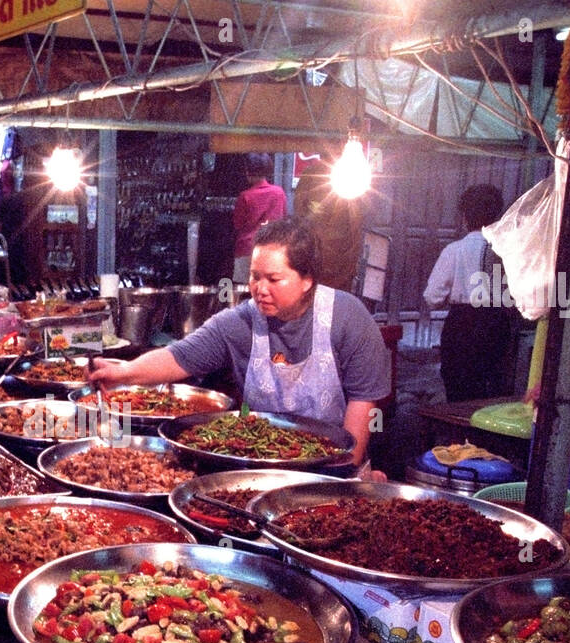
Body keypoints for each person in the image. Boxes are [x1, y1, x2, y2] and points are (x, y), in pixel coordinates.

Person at [90, 217, 390, 470]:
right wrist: (123, 373)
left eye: (274, 279)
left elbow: (362, 407)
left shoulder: (349, 319)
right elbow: (178, 357)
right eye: (255, 277)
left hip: (331, 469)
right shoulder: (242, 322)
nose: (260, 289)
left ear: (307, 279)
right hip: (258, 465)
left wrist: (342, 473)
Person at [424, 183, 518, 402]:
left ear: (465, 217)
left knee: (459, 393)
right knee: (492, 394)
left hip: (462, 326)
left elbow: (432, 298)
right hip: (497, 324)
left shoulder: (454, 251)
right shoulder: (507, 251)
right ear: (497, 216)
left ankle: (460, 435)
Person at [291, 155, 366, 292]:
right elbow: (299, 213)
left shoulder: (350, 177)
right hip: (322, 254)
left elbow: (356, 222)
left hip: (333, 256)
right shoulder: (313, 173)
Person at [231, 153, 286, 283]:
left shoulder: (245, 196)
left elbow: (237, 224)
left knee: (245, 290)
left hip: (247, 248)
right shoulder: (279, 193)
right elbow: (283, 220)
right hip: (273, 248)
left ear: (247, 171)